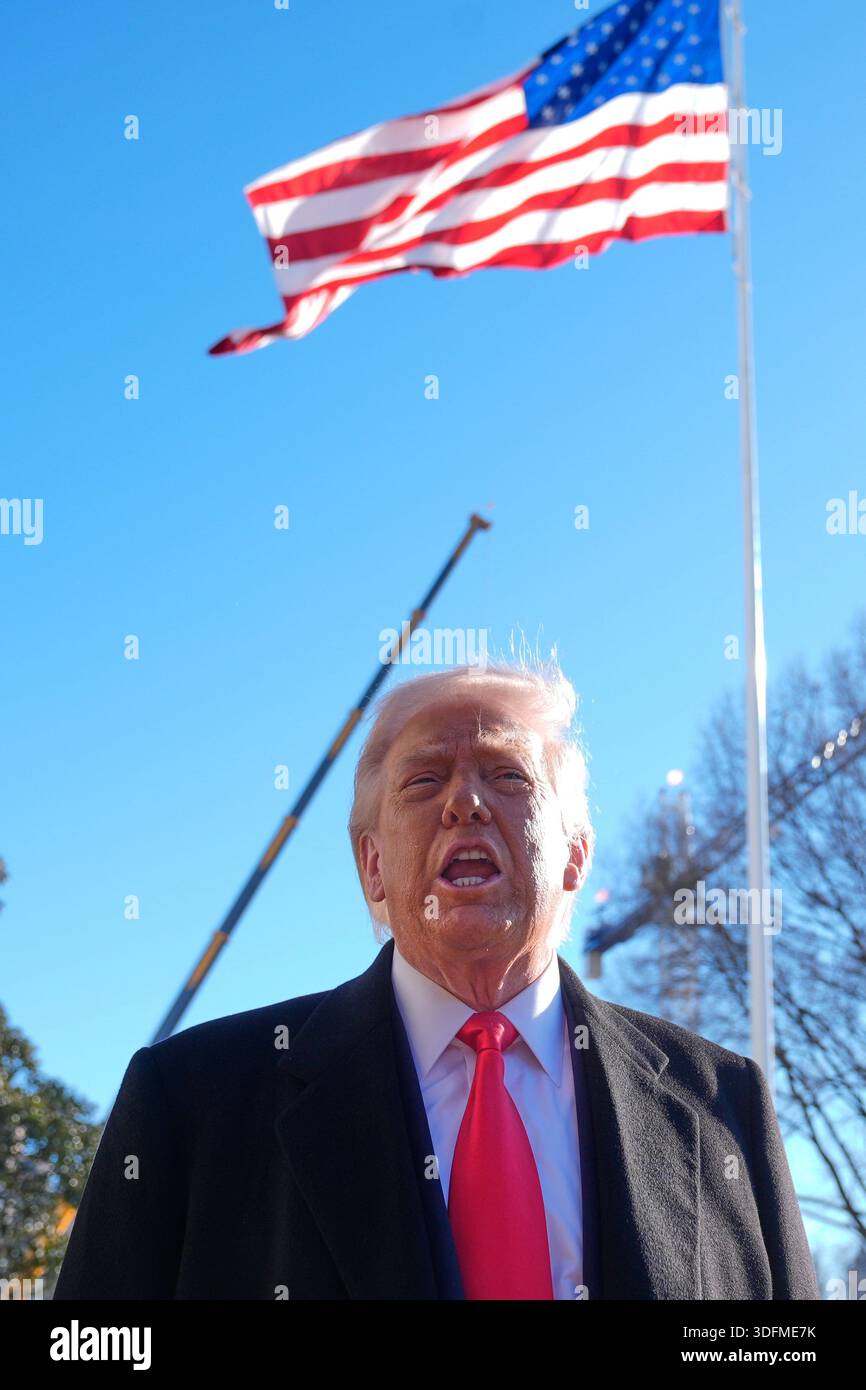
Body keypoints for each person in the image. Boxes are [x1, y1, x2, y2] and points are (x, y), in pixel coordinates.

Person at [53, 660, 819, 1300]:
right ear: (374, 866)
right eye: (423, 782)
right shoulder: (191, 1101)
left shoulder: (725, 1106)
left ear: (576, 854)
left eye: (507, 775)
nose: (465, 802)